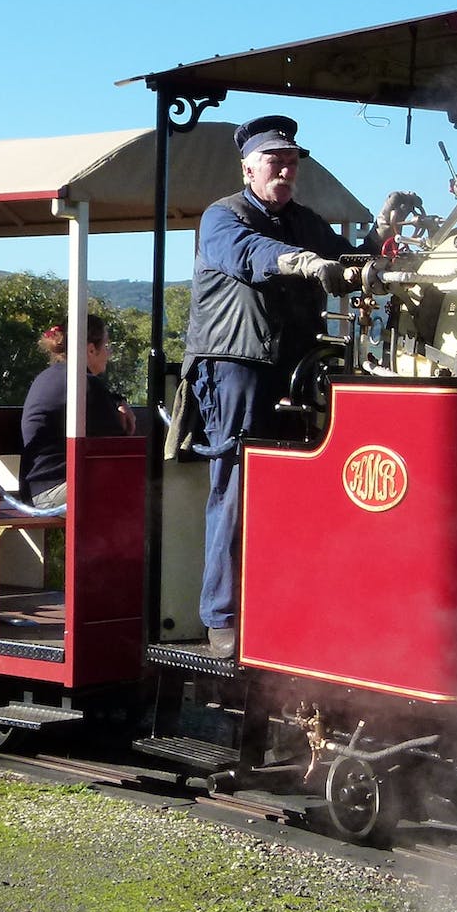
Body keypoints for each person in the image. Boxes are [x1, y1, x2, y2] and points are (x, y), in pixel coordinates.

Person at [186, 114, 352, 653]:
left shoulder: (306, 220)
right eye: (274, 160)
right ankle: (222, 617)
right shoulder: (222, 217)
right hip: (235, 365)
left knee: (299, 483)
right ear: (248, 167)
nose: (285, 168)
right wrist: (304, 263)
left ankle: (288, 600)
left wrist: (381, 246)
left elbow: (349, 260)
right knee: (235, 483)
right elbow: (250, 256)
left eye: (291, 161)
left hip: (296, 367)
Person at [20, 315, 136, 508]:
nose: (109, 353)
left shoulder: (51, 376)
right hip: (54, 491)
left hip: (36, 490)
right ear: (91, 349)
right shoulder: (83, 382)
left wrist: (116, 399)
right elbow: (118, 442)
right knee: (141, 488)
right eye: (106, 346)